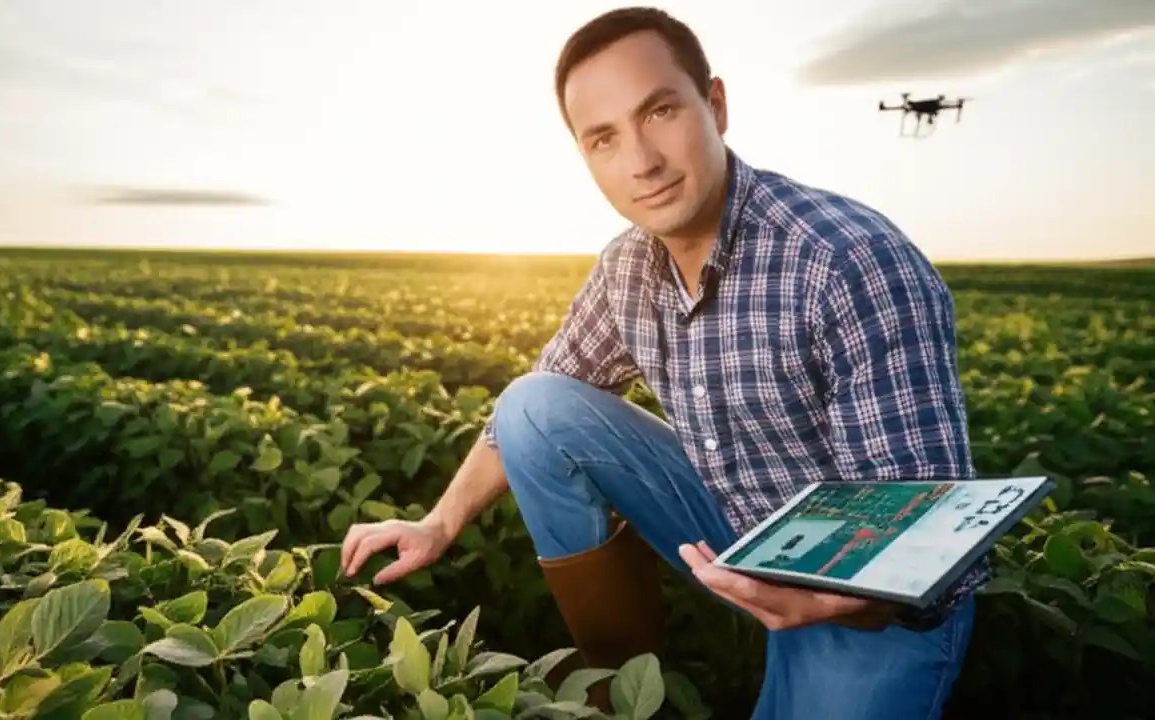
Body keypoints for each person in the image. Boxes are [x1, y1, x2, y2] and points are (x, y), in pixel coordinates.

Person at [340, 7, 983, 718]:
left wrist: (829, 598)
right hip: (740, 523)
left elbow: (930, 551)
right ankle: (618, 689)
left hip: (869, 599)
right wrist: (437, 522)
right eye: (604, 139)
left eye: (661, 111)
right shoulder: (627, 268)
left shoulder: (846, 261)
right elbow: (531, 415)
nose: (641, 162)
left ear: (715, 106)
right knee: (535, 403)